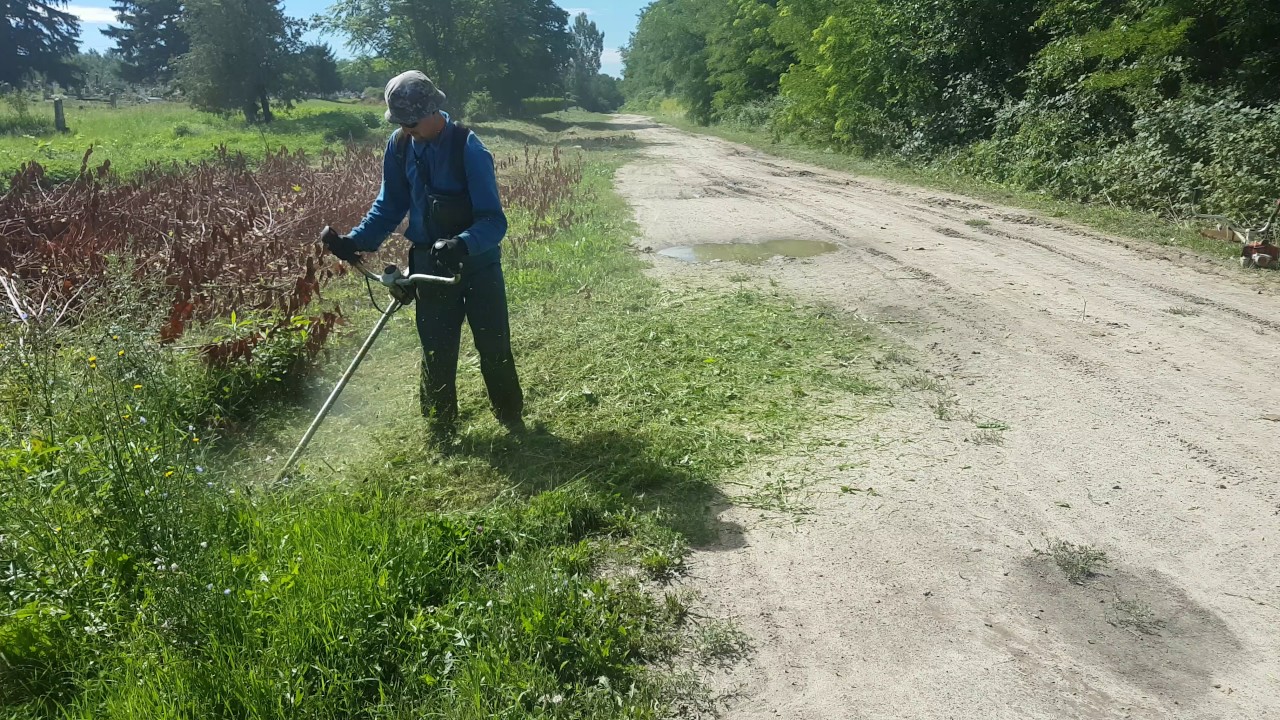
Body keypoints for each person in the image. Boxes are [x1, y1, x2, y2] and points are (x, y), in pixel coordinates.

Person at [320, 70, 524, 443]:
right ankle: (439, 425)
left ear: (432, 110)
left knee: (493, 344)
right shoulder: (400, 146)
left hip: (478, 263)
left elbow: (494, 221)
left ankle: (510, 416)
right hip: (429, 265)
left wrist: (462, 243)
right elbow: (390, 205)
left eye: (411, 122)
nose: (405, 128)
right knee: (436, 348)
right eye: (400, 122)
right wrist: (355, 241)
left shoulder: (468, 148)